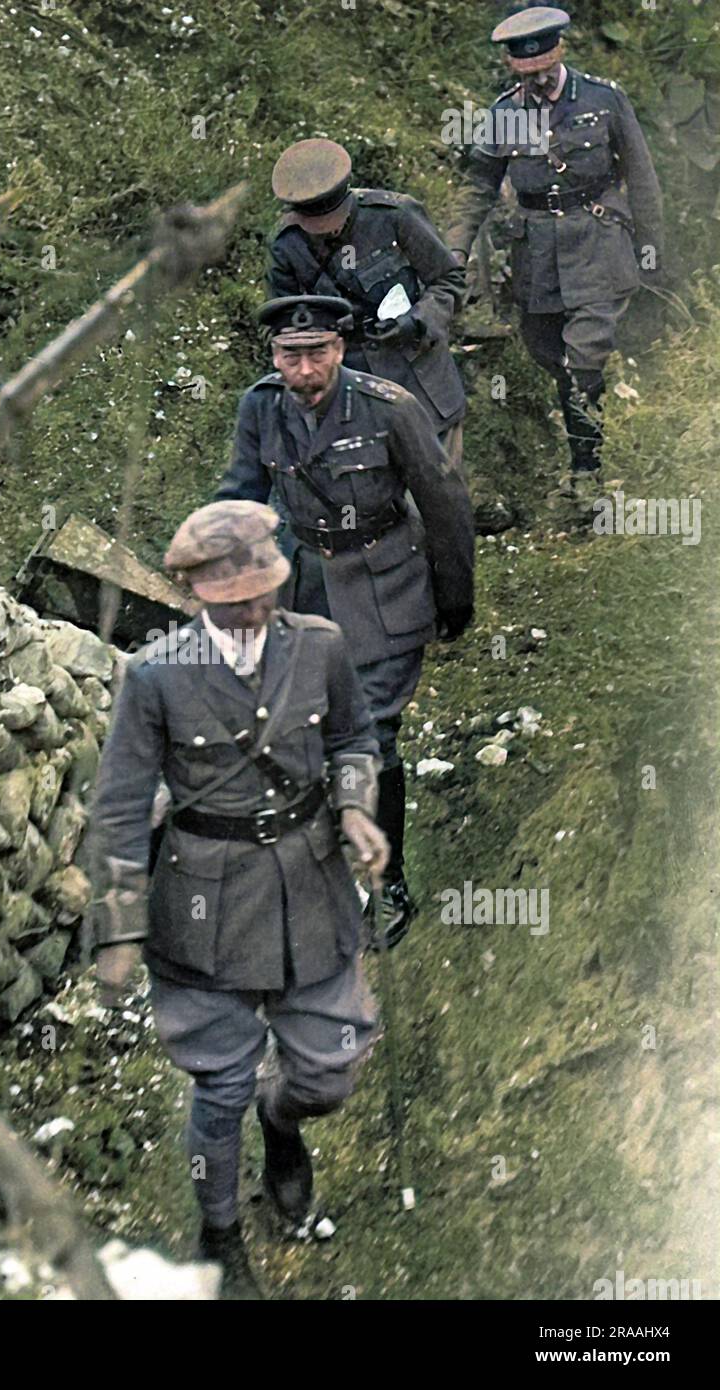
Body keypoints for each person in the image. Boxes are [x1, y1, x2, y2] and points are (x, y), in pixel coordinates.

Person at [89, 500, 388, 1298]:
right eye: (233, 600)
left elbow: (353, 739)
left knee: (331, 1069)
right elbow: (119, 806)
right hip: (204, 907)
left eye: (262, 592)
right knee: (218, 1086)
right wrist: (118, 928)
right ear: (195, 595)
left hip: (310, 887)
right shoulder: (154, 676)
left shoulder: (319, 646)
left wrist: (356, 808)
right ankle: (219, 1228)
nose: (253, 611)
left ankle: (282, 1117)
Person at [215, 295, 474, 947]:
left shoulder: (389, 408)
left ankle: (388, 883)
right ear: (274, 356)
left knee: (373, 736)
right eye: (290, 355)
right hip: (308, 589)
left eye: (317, 353)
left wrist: (452, 597)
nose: (304, 371)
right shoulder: (260, 407)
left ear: (341, 349)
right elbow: (243, 492)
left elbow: (444, 501)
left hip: (387, 583)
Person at [445, 5, 664, 503]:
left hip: (597, 242)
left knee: (583, 357)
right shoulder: (502, 115)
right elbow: (478, 186)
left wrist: (649, 251)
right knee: (550, 354)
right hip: (536, 255)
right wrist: (455, 248)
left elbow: (643, 178)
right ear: (511, 68)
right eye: (526, 74)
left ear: (559, 51)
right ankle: (581, 428)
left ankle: (587, 473)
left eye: (544, 70)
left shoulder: (604, 100)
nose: (538, 81)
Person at [268, 138, 468, 477]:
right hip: (351, 393)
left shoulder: (394, 216)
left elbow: (448, 281)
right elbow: (281, 325)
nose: (324, 231)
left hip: (419, 377)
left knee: (441, 497)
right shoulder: (287, 245)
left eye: (332, 218)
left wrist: (416, 322)